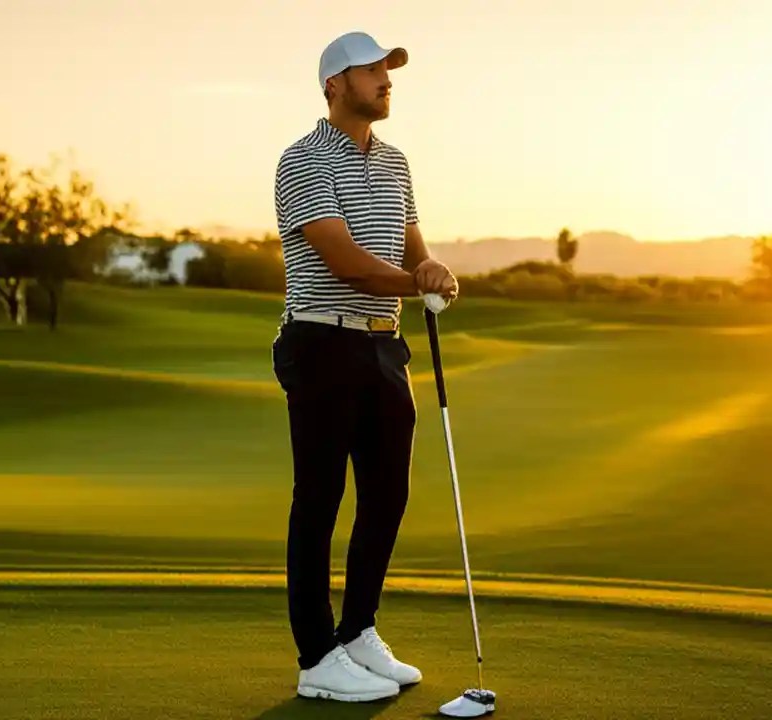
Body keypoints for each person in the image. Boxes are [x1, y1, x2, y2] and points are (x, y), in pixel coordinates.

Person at [271, 30, 459, 703]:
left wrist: (431, 270)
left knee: (388, 496)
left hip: (384, 346)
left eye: (388, 70)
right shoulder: (302, 161)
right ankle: (317, 659)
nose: (386, 79)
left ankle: (357, 632)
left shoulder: (397, 162)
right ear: (333, 85)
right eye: (371, 69)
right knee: (318, 501)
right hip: (321, 343)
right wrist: (418, 284)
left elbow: (411, 248)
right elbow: (343, 261)